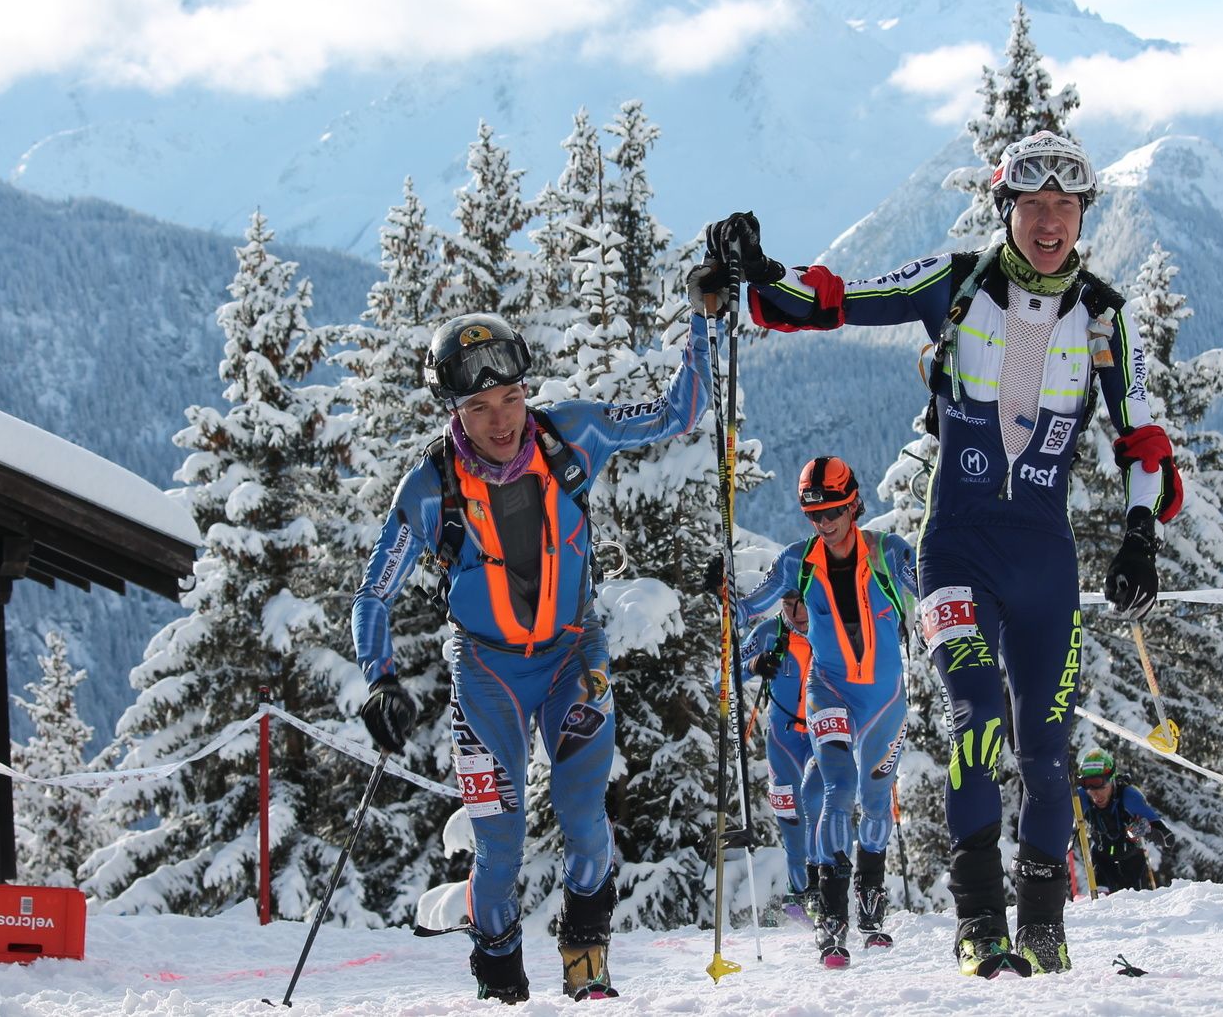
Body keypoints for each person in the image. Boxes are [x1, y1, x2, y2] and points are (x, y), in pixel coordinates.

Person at [706, 130, 1184, 977]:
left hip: (1046, 562)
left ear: (1083, 215)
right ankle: (978, 922)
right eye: (1032, 205)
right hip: (956, 552)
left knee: (1045, 747)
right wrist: (761, 271)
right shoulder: (955, 282)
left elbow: (1143, 439)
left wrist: (1141, 533)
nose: (1048, 223)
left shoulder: (1106, 314)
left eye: (1065, 207)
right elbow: (836, 299)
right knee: (977, 721)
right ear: (1006, 208)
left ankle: (1043, 922)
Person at [350, 274, 718, 1003]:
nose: (501, 420)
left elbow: (683, 411)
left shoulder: (573, 431)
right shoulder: (428, 488)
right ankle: (501, 982)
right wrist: (380, 677)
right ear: (454, 408)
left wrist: (701, 318)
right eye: (480, 405)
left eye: (512, 398)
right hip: (485, 673)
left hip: (572, 658)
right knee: (499, 849)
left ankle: (586, 968)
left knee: (585, 821)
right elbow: (372, 594)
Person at [735, 456, 917, 967]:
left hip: (884, 702)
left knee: (876, 802)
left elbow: (934, 585)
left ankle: (871, 902)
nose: (825, 523)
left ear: (854, 503)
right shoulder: (797, 562)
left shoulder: (888, 553)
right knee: (838, 785)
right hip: (829, 691)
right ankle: (831, 919)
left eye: (834, 510)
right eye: (814, 515)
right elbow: (748, 607)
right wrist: (725, 593)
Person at [738, 593, 825, 925]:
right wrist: (753, 664)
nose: (798, 612)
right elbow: (723, 677)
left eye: (804, 601)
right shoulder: (769, 633)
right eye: (789, 603)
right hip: (783, 738)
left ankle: (820, 885)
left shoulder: (829, 627)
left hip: (823, 732)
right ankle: (800, 895)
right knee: (790, 819)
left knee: (816, 799)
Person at [1076, 747, 1177, 893]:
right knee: (1103, 906)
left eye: (1099, 783)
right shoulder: (1081, 797)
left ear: (1111, 779)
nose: (1095, 793)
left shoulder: (1129, 796)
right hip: (1101, 861)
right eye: (1087, 785)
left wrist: (1147, 830)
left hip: (1132, 862)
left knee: (1137, 907)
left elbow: (1168, 838)